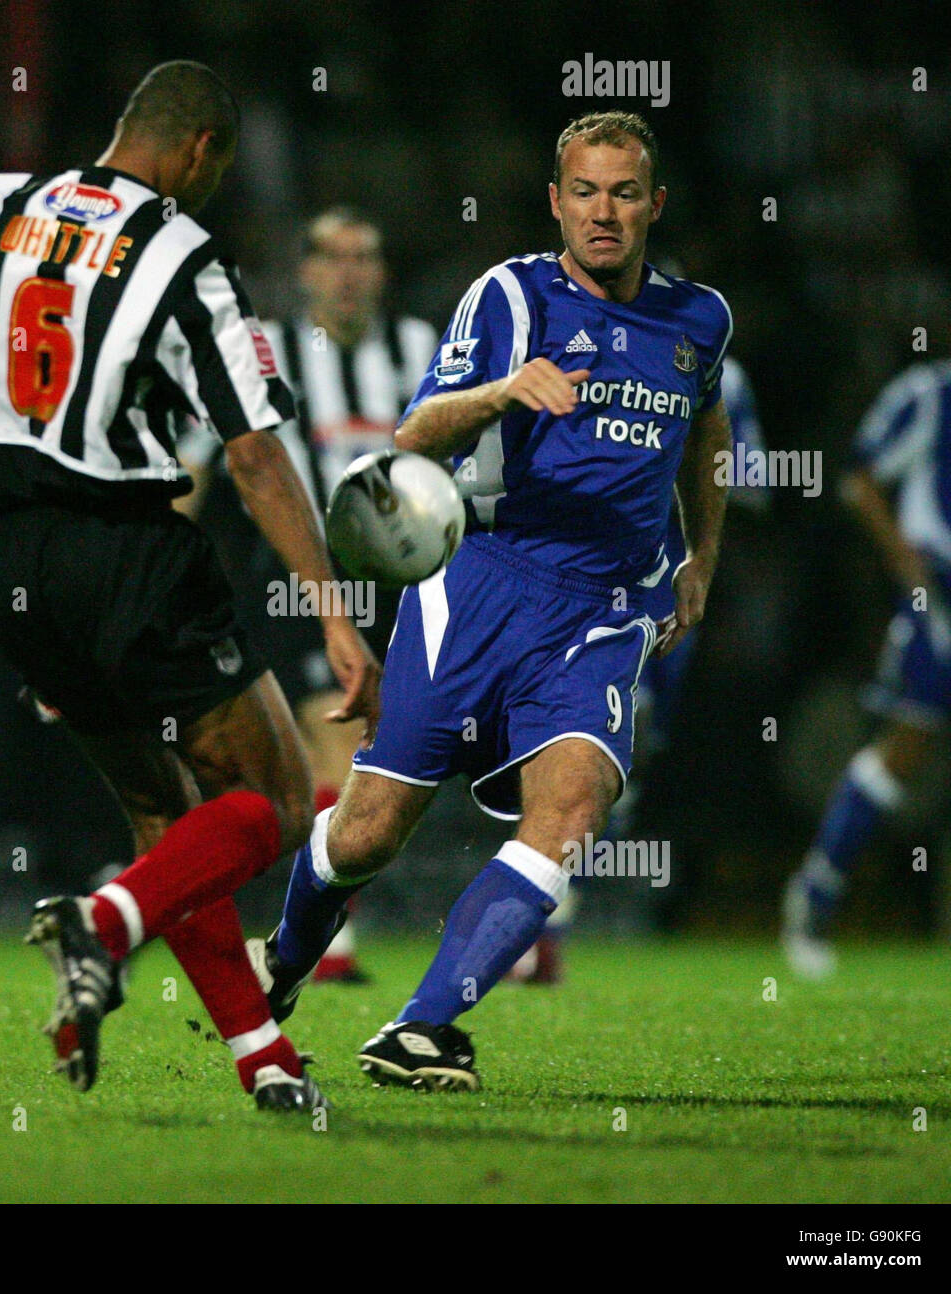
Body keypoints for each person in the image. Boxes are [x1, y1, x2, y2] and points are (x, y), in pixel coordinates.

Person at [0, 61, 379, 1112]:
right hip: (129, 552)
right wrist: (335, 613)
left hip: (12, 568)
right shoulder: (180, 253)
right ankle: (103, 922)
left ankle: (262, 1057)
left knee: (163, 817)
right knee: (277, 798)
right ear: (202, 151)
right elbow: (254, 454)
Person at [249, 111, 733, 1089]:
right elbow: (415, 432)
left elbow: (708, 426)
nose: (604, 213)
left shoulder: (700, 320)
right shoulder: (511, 295)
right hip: (482, 585)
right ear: (556, 201)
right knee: (370, 828)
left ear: (655, 204)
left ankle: (422, 1025)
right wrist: (504, 392)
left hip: (606, 608)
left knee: (575, 803)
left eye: (624, 193)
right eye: (584, 192)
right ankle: (283, 961)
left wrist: (701, 556)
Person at [182, 208, 437, 982]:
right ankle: (324, 941)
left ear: (382, 272)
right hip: (300, 576)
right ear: (304, 270)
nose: (349, 272)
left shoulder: (420, 347)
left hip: (407, 581)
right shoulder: (265, 350)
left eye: (365, 256)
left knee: (372, 755)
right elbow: (195, 463)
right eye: (332, 256)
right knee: (335, 735)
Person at [511, 353, 767, 983]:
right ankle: (536, 923)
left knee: (627, 755)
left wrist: (707, 569)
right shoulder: (574, 352)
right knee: (584, 735)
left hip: (668, 593)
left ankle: (547, 915)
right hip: (583, 582)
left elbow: (743, 487)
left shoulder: (720, 373)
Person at [781, 277, 951, 979]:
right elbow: (858, 478)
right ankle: (818, 888)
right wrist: (904, 562)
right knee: (907, 746)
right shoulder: (932, 394)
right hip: (944, 593)